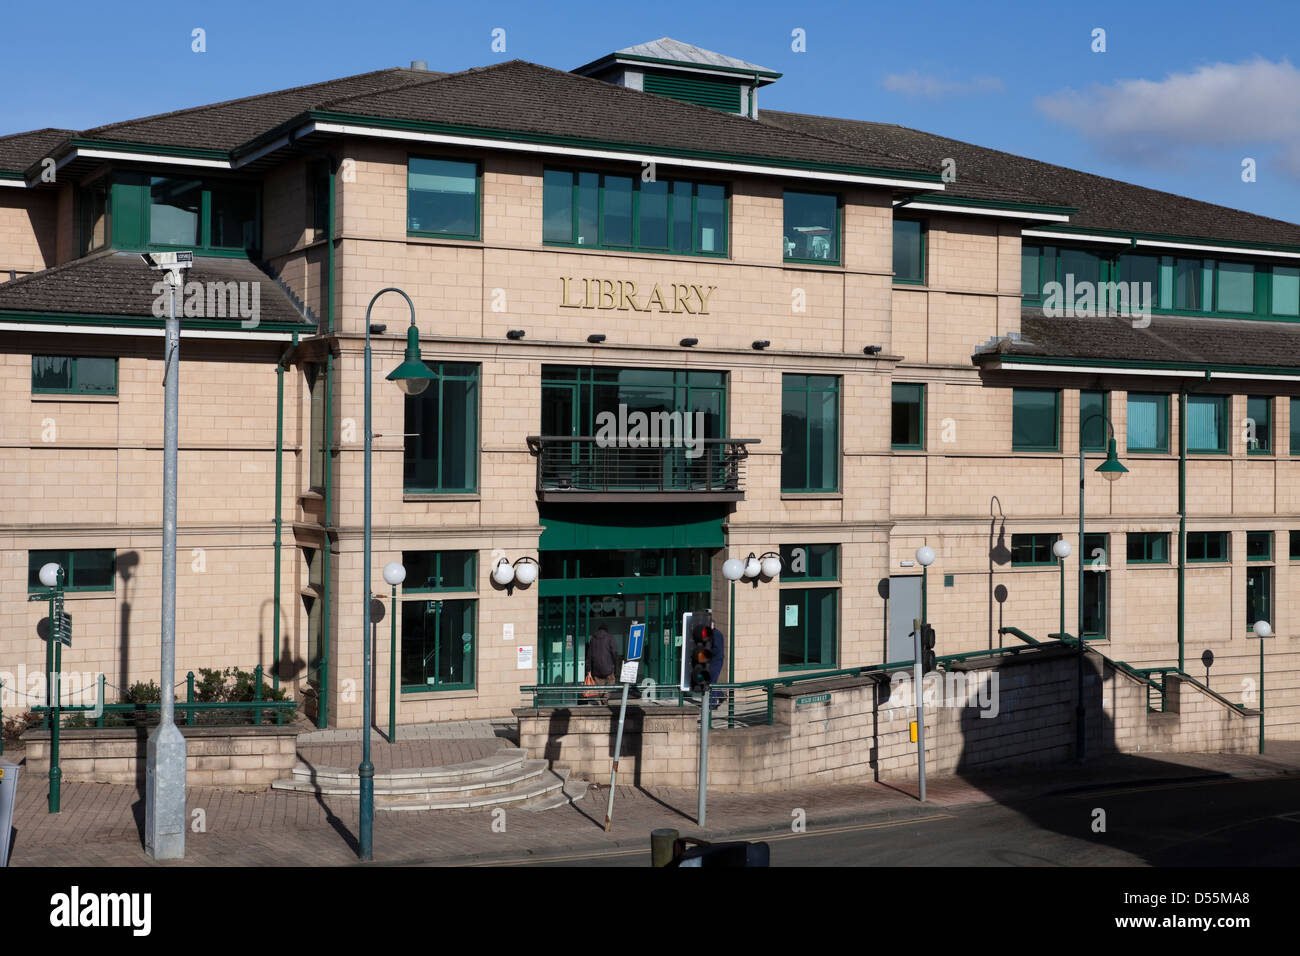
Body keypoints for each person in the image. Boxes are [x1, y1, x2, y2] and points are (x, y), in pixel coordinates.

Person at [585, 625, 620, 703]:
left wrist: (588, 669)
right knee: (611, 681)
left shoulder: (593, 639)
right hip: (608, 667)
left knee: (599, 684)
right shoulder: (610, 637)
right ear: (606, 630)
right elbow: (614, 652)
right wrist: (614, 662)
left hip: (596, 668)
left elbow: (589, 655)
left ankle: (602, 699)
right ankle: (606, 696)